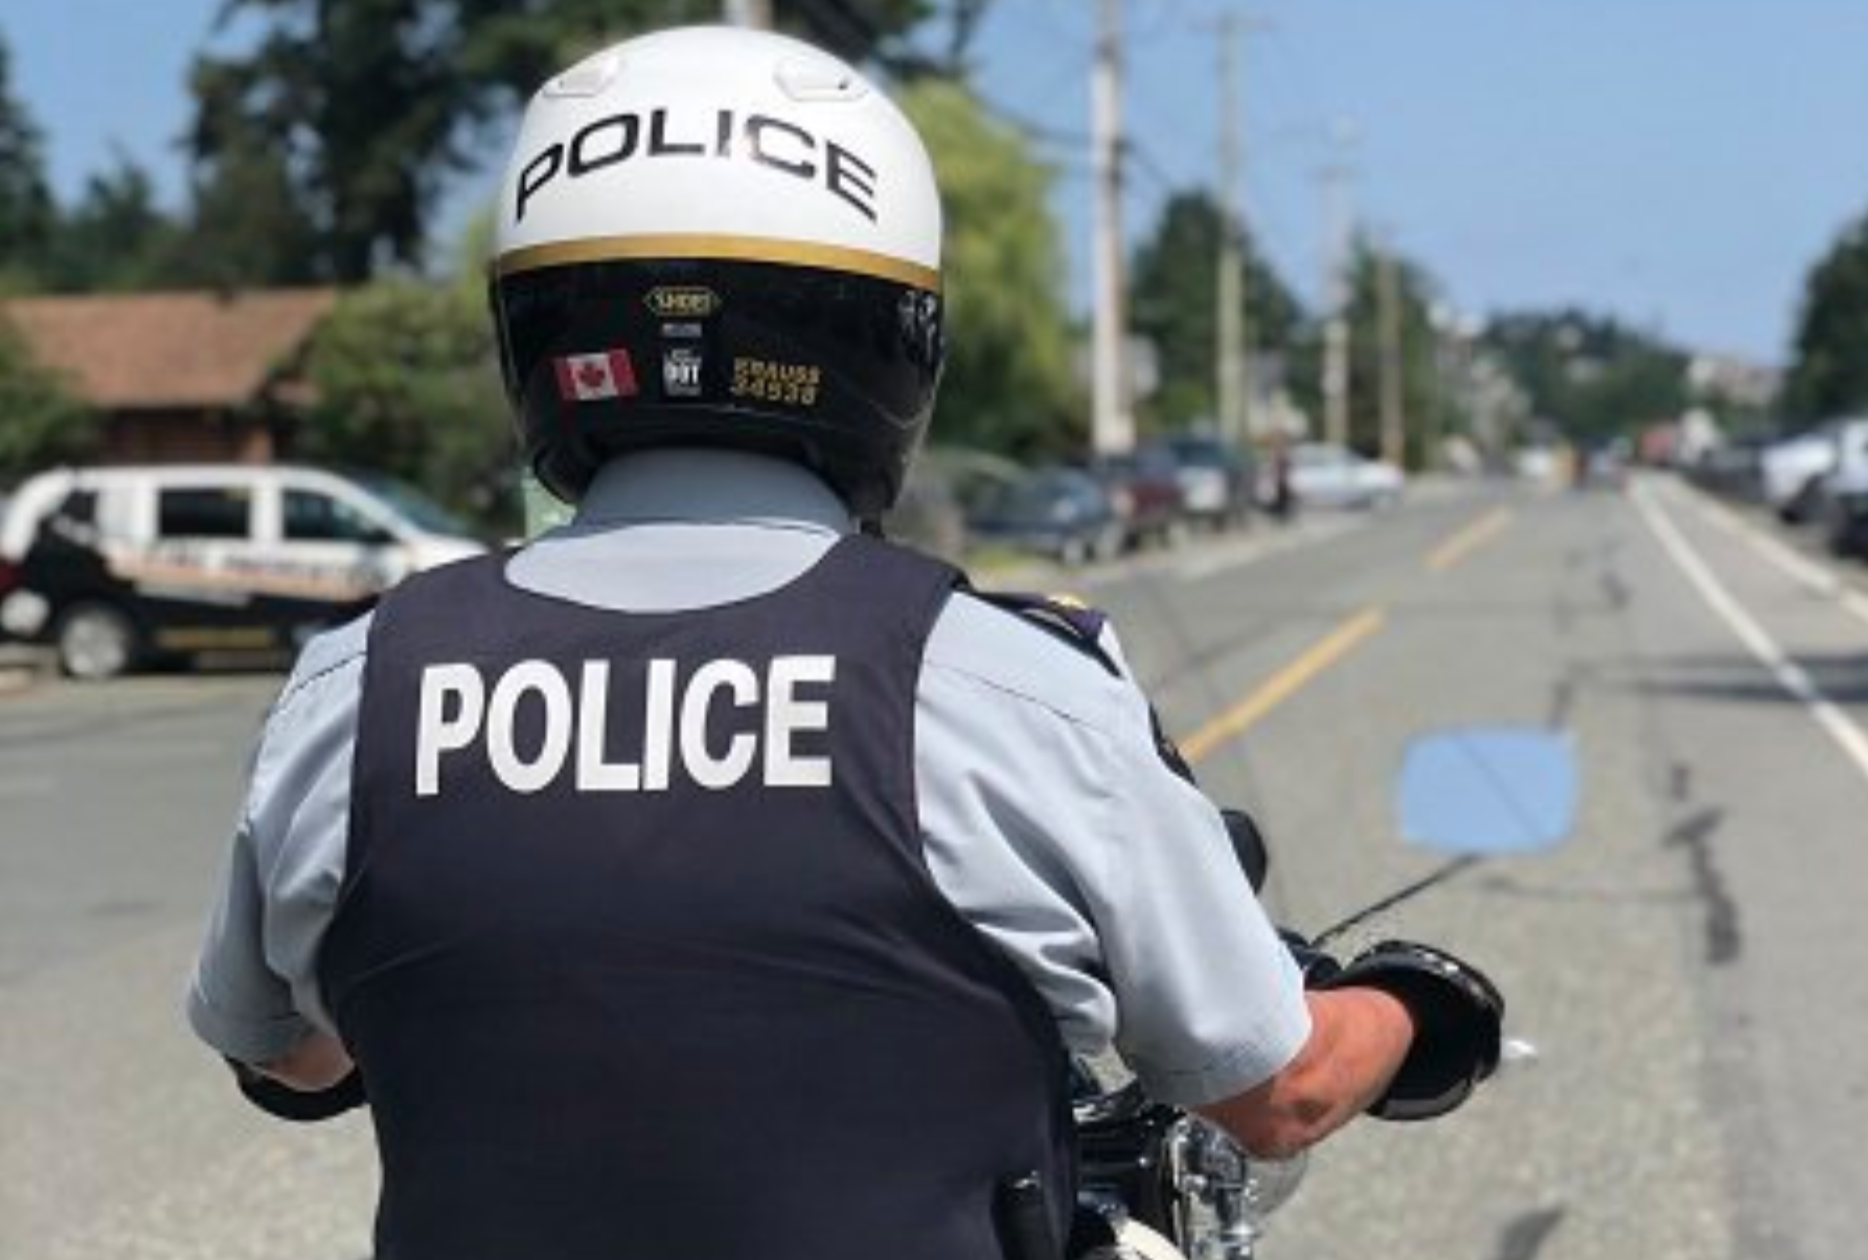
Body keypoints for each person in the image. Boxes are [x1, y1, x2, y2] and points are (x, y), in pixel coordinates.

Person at [185, 25, 1499, 1260]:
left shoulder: (354, 692)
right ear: (890, 341)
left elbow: (286, 1057)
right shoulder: (1008, 686)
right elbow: (1276, 1092)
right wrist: (1417, 1005)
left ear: (536, 331)